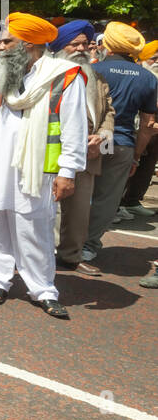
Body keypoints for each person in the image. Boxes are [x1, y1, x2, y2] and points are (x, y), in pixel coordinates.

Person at [0, 14, 87, 318]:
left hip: (36, 167)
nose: (0, 46)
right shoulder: (0, 73)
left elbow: (73, 126)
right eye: (0, 41)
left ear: (29, 43)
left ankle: (43, 288)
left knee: (34, 226)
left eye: (8, 41)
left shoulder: (65, 75)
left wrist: (67, 171)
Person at [81, 23, 156, 263]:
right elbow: (146, 125)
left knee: (79, 193)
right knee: (107, 198)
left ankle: (69, 241)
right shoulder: (147, 77)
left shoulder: (92, 70)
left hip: (91, 140)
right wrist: (136, 155)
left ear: (109, 45)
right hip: (122, 141)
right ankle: (89, 245)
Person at [53, 20, 114, 276]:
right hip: (52, 153)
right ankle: (39, 256)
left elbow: (109, 112)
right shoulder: (49, 76)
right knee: (46, 209)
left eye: (84, 44)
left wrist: (102, 136)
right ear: (59, 48)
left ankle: (70, 256)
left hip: (88, 154)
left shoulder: (96, 77)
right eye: (73, 44)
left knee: (79, 213)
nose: (80, 49)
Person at [119, 37, 158, 221]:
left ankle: (132, 201)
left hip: (151, 130)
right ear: (142, 59)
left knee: (146, 166)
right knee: (128, 166)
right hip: (133, 128)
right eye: (153, 58)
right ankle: (117, 204)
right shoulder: (140, 76)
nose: (157, 62)